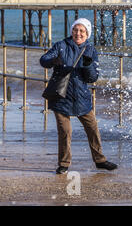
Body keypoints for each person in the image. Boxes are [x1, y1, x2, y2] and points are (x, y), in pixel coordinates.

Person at [40, 18, 117, 174]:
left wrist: (88, 65)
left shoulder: (90, 50)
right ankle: (64, 164)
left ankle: (100, 160)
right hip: (61, 96)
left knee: (92, 128)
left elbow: (92, 78)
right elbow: (44, 60)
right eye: (76, 30)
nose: (78, 33)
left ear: (87, 33)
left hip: (81, 97)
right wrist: (53, 60)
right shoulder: (61, 46)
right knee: (65, 131)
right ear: (71, 31)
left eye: (82, 31)